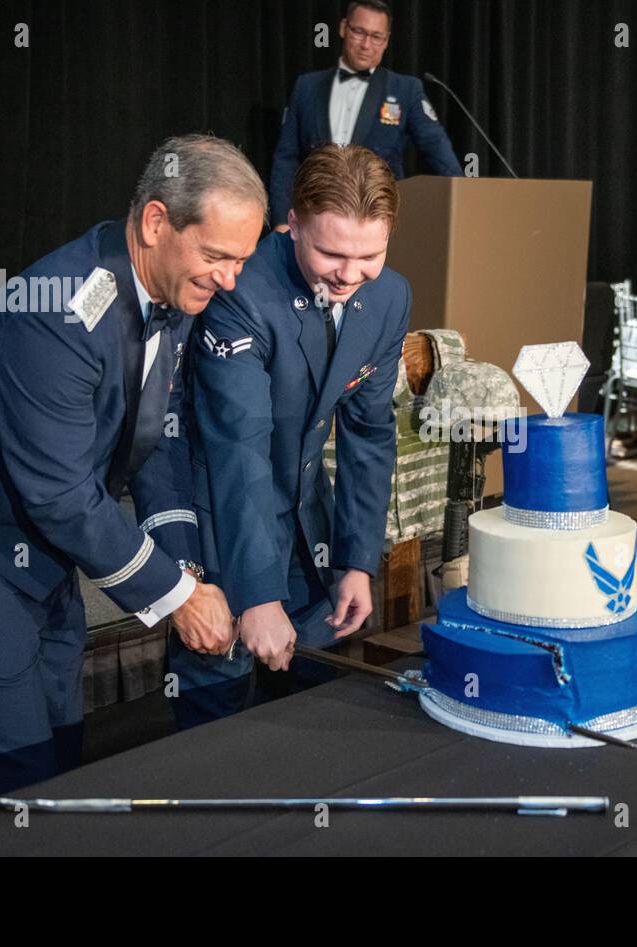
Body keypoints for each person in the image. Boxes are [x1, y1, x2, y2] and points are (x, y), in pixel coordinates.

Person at [0, 135, 260, 811]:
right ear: (155, 222)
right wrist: (175, 596)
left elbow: (154, 437)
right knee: (8, 768)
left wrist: (182, 566)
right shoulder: (52, 314)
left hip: (49, 552)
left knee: (60, 744)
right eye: (218, 256)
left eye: (243, 261)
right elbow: (58, 494)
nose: (230, 278)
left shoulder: (175, 292)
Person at [178, 144, 410, 726]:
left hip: (311, 526)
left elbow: (369, 434)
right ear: (293, 222)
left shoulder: (388, 298)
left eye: (370, 256)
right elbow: (240, 450)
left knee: (312, 707)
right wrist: (255, 595)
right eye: (331, 252)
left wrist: (357, 559)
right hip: (225, 522)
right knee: (217, 715)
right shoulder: (242, 292)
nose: (350, 276)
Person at [269, 0, 461, 230]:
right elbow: (286, 158)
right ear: (343, 28)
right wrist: (281, 219)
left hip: (374, 222)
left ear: (387, 40)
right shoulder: (307, 86)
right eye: (359, 32)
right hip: (315, 217)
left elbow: (438, 150)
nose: (366, 45)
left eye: (376, 36)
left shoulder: (405, 90)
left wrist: (463, 199)